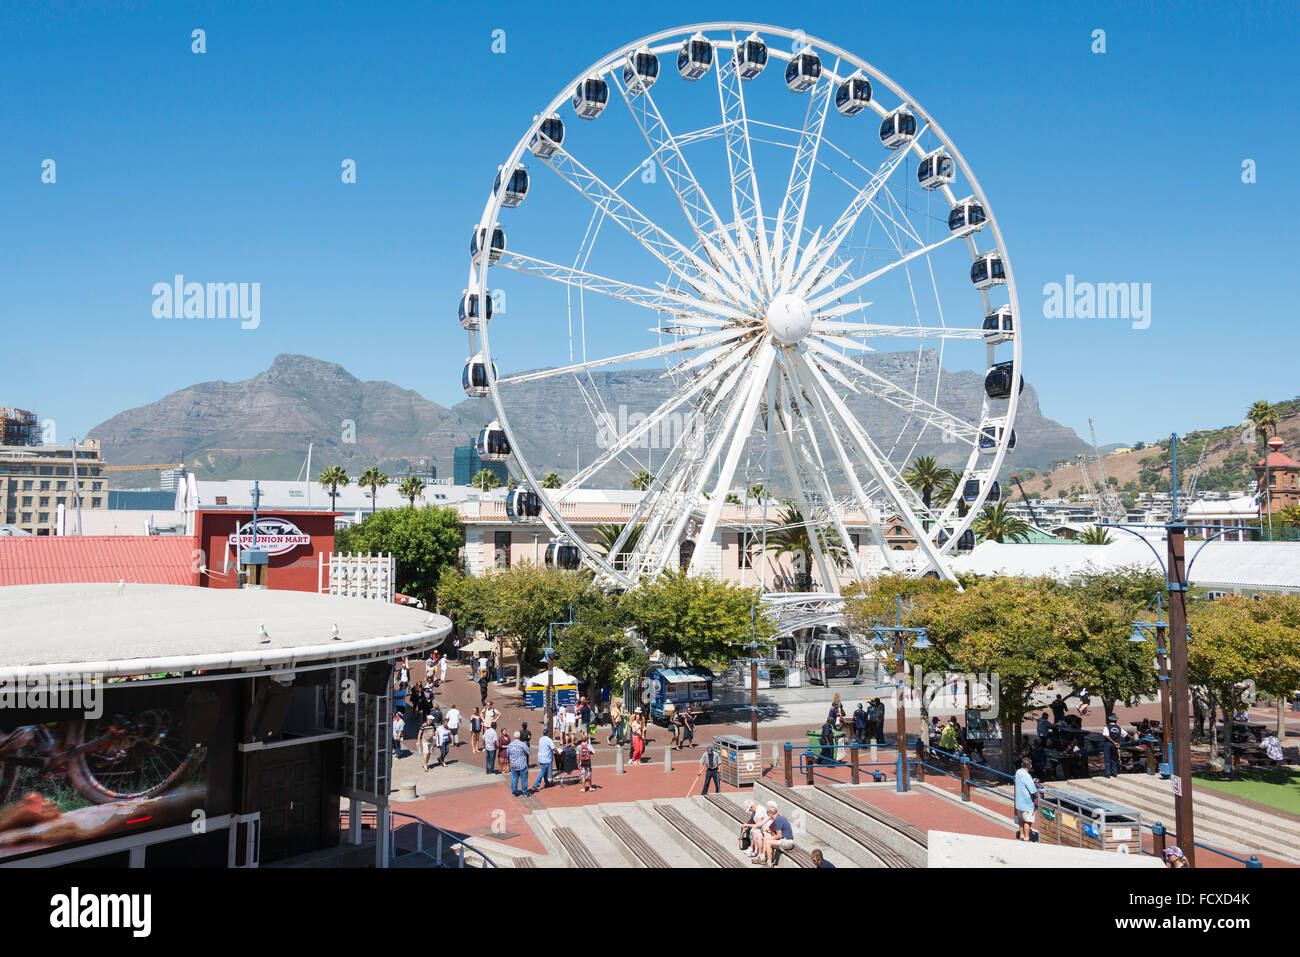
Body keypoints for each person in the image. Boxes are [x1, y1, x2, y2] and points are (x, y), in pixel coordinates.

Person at [1013, 758, 1041, 841]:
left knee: (1021, 819)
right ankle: (1027, 837)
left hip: (1018, 802)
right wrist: (1037, 795)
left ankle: (1021, 835)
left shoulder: (1018, 772)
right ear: (1030, 766)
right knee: (1028, 821)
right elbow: (1033, 790)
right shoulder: (1027, 776)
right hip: (1027, 803)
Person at [1102, 714, 1128, 778]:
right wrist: (1134, 739)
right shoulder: (1119, 728)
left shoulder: (1107, 727)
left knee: (1107, 759)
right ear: (1116, 721)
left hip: (1108, 744)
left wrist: (1113, 742)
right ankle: (1114, 772)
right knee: (1114, 759)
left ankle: (1108, 774)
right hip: (1115, 744)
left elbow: (1106, 736)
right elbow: (1126, 734)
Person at [507, 731, 531, 796]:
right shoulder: (522, 744)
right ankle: (525, 792)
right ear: (519, 737)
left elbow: (507, 754)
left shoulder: (510, 745)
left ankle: (514, 792)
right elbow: (528, 752)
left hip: (513, 764)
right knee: (524, 779)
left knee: (514, 779)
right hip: (522, 764)